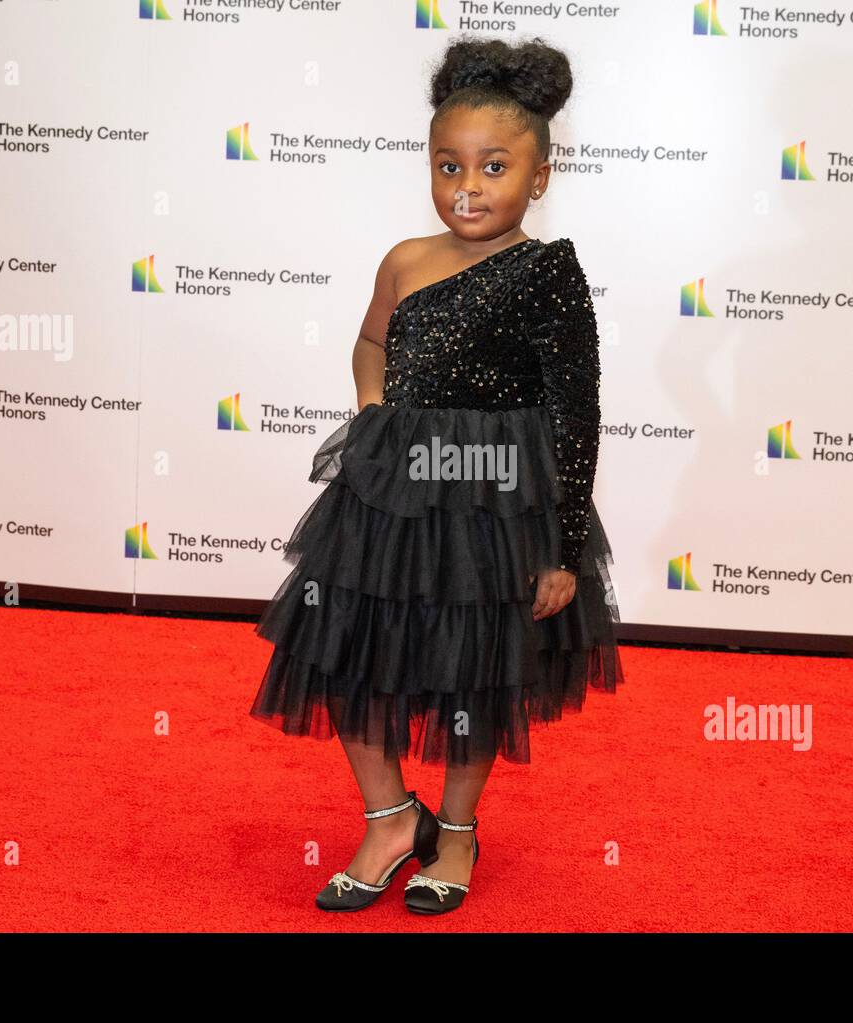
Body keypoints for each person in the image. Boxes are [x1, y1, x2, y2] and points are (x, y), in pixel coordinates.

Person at [250, 34, 624, 916]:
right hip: (390, 496)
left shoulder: (548, 273)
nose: (469, 185)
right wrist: (374, 407)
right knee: (341, 652)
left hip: (496, 507)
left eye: (495, 167)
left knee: (475, 673)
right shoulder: (405, 260)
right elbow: (372, 336)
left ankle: (455, 831)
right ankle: (389, 819)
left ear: (538, 177)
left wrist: (562, 548)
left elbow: (577, 413)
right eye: (448, 165)